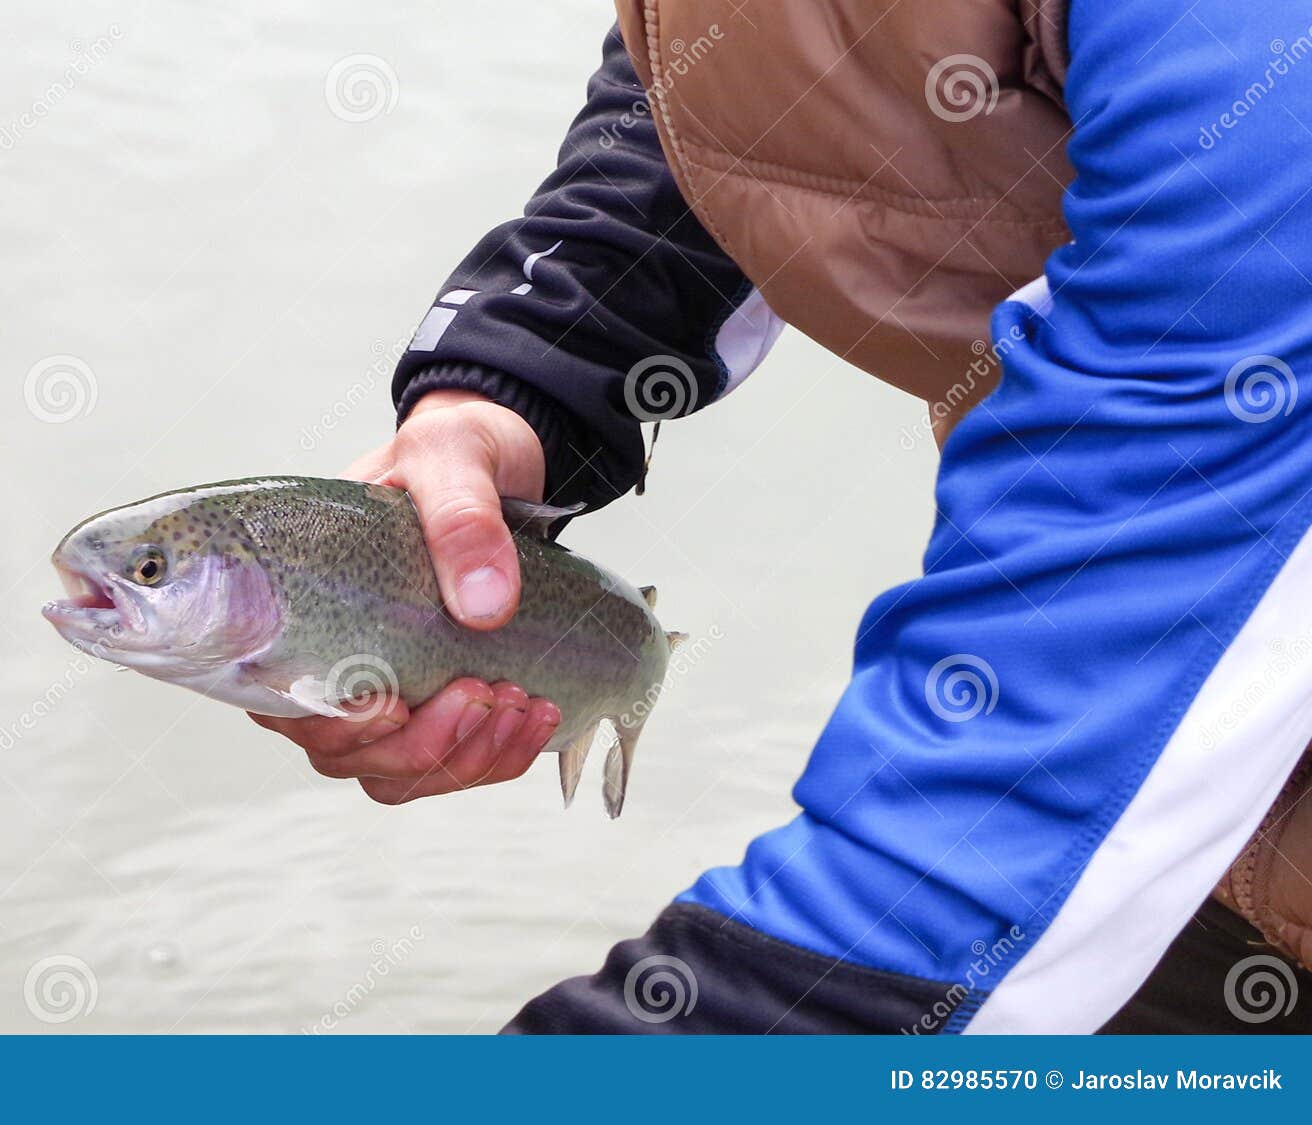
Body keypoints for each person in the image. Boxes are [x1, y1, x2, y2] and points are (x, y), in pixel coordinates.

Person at [254, 0, 1312, 1032]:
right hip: (1215, 858)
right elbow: (762, 71)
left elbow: (1184, 489)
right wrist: (515, 385)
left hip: (1124, 800)